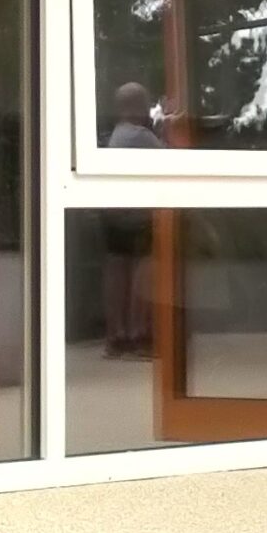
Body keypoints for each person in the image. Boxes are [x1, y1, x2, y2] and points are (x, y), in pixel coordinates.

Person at [101, 83, 162, 353]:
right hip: (136, 218)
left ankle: (116, 335)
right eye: (147, 104)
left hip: (113, 216)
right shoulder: (140, 136)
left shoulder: (117, 134)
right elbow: (171, 158)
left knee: (117, 273)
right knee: (144, 271)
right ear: (138, 106)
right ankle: (140, 333)